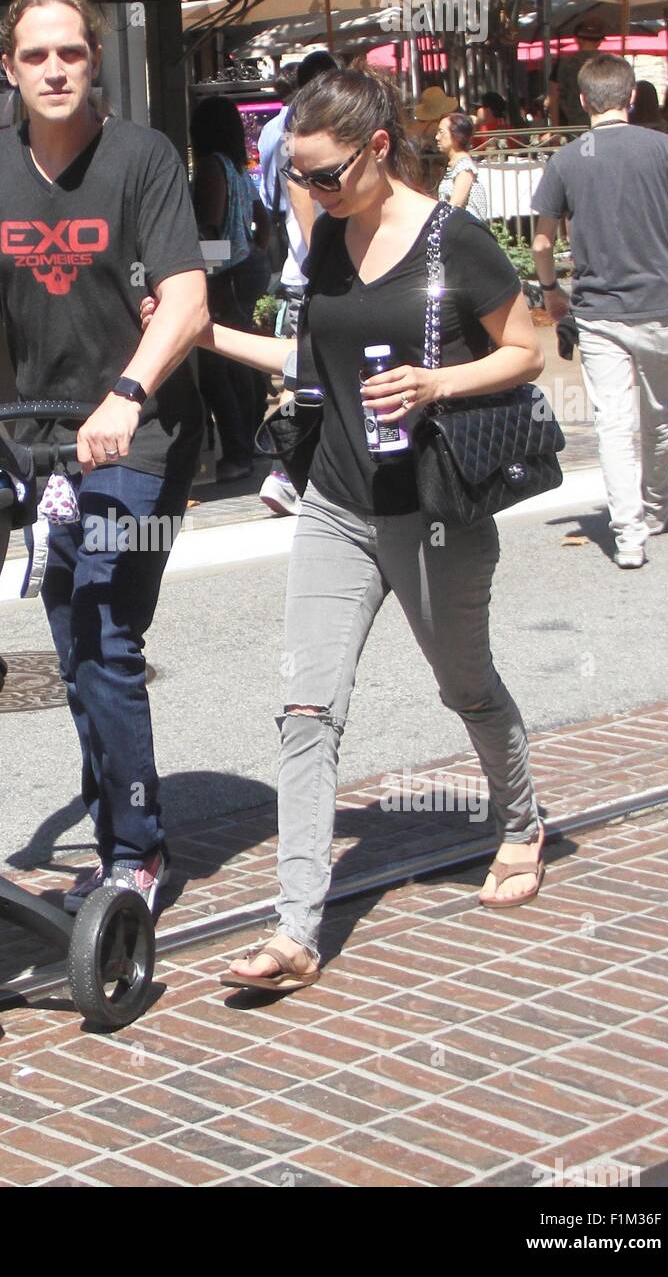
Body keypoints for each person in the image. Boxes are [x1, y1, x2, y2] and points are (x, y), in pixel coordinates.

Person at [145, 66, 547, 988]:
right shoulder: (327, 237)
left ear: (376, 149)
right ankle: (295, 932)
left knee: (465, 685)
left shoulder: (456, 242)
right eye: (300, 175)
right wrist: (200, 336)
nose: (314, 192)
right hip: (335, 502)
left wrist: (437, 381)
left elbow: (530, 351)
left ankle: (518, 819)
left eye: (326, 174)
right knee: (305, 710)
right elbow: (309, 358)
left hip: (431, 509)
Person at [0, 0, 208, 912]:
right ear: (5, 69)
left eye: (72, 53)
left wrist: (129, 391)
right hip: (45, 442)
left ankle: (136, 850)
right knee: (69, 625)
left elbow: (186, 299)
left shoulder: (142, 158)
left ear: (96, 62)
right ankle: (113, 825)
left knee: (100, 629)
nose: (55, 70)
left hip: (143, 431)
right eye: (36, 56)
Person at [532, 54, 668, 569]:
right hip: (658, 303)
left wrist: (550, 291)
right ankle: (657, 506)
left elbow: (542, 243)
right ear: (631, 97)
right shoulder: (661, 146)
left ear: (582, 100)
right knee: (657, 416)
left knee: (612, 421)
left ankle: (628, 535)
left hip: (598, 310)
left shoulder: (566, 158)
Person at [257, 49, 338, 516]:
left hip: (301, 274)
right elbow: (300, 208)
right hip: (313, 276)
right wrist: (322, 264)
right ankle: (285, 471)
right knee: (300, 373)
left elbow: (271, 200)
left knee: (300, 373)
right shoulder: (300, 142)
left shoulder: (281, 133)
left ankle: (291, 471)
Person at [190, 94, 271, 482]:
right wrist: (253, 250)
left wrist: (206, 269)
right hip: (248, 267)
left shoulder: (210, 167)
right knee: (243, 360)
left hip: (224, 272)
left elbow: (210, 223)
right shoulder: (239, 168)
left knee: (216, 365)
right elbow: (264, 221)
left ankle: (238, 451)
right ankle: (253, 440)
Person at [548, 17, 606, 128]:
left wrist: (555, 129)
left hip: (574, 128)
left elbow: (553, 97)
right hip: (604, 125)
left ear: (578, 39)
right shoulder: (611, 64)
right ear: (600, 41)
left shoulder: (562, 65)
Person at [436, 111, 489, 223]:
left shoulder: (464, 168)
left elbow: (455, 205)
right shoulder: (455, 166)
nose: (437, 137)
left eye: (441, 132)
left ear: (456, 136)